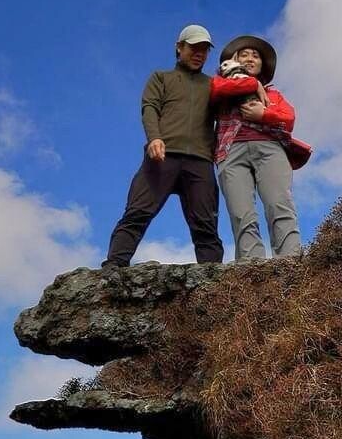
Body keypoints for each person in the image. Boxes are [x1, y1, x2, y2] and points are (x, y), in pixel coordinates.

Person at [102, 24, 258, 267]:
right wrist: (154, 137)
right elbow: (150, 108)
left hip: (200, 162)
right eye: (194, 47)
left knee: (205, 226)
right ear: (179, 47)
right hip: (161, 157)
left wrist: (252, 82)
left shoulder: (213, 85)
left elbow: (240, 95)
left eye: (205, 50)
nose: (200, 54)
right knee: (137, 213)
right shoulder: (160, 78)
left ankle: (210, 281)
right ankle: (112, 268)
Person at [214, 35, 301, 260]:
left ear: (263, 64)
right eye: (244, 55)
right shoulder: (219, 84)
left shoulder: (273, 94)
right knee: (241, 213)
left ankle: (289, 261)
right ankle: (251, 266)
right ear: (234, 60)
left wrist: (264, 114)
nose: (251, 59)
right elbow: (217, 91)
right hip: (230, 151)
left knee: (279, 205)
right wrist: (246, 79)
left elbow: (288, 118)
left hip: (270, 148)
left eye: (255, 56)